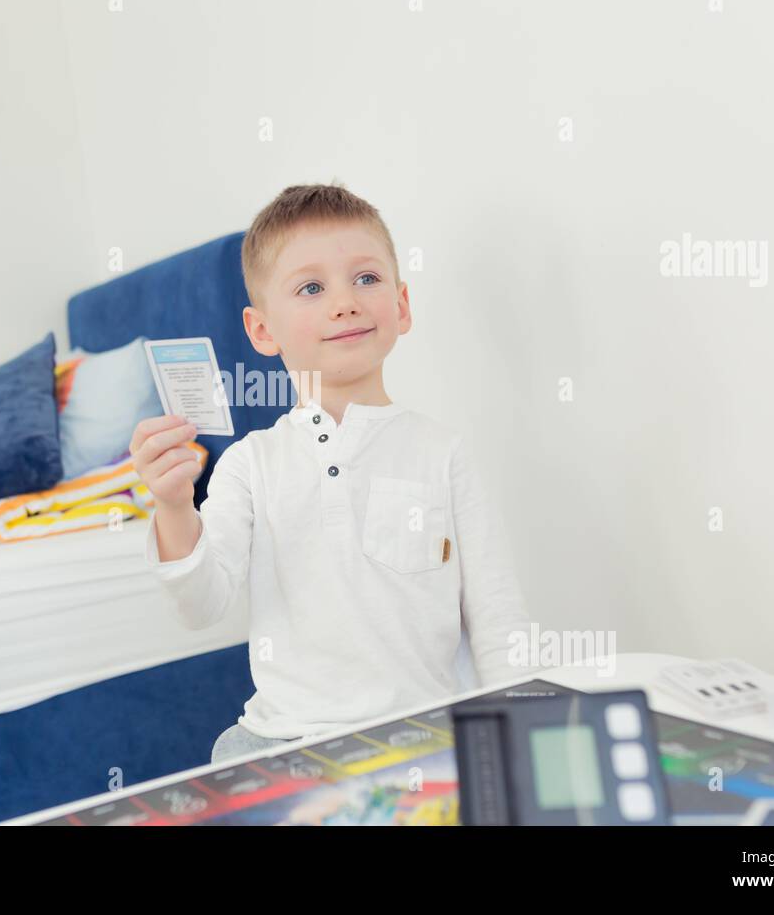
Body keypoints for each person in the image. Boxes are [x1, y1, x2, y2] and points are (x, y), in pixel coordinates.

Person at [130, 182, 533, 764]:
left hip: (423, 737)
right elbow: (201, 605)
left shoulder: (443, 453)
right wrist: (172, 506)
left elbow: (499, 620)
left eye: (366, 279)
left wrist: (518, 740)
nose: (344, 301)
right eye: (311, 287)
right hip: (283, 740)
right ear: (262, 331)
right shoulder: (251, 463)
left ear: (401, 305)